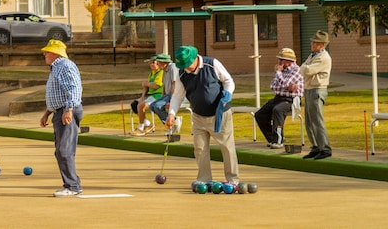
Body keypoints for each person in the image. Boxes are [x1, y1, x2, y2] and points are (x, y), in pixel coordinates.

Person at [165, 45, 239, 184]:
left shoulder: (212, 64)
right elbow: (177, 96)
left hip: (220, 113)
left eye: (188, 65)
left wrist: (228, 93)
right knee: (200, 148)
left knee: (227, 147)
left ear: (195, 58)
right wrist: (171, 114)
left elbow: (228, 81)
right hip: (198, 115)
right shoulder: (181, 73)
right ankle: (204, 179)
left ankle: (232, 179)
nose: (186, 68)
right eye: (183, 65)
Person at [39, 39, 84, 197]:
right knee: (61, 151)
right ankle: (72, 184)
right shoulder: (56, 67)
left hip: (67, 111)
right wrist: (47, 113)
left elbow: (74, 87)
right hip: (60, 111)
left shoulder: (65, 65)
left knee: (64, 150)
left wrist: (69, 109)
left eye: (47, 51)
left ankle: (72, 186)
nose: (44, 54)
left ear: (55, 53)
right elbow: (57, 93)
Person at [254, 48, 304, 149]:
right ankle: (272, 138)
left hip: (292, 100)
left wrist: (280, 77)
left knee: (278, 110)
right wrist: (287, 87)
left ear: (289, 61)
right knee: (260, 114)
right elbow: (273, 86)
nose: (279, 62)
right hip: (278, 98)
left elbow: (285, 83)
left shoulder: (297, 71)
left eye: (281, 60)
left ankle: (278, 141)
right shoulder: (282, 71)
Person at [300, 30, 333, 159]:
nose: (312, 44)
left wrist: (304, 68)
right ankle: (315, 146)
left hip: (317, 89)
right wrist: (304, 68)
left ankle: (325, 148)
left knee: (317, 120)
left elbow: (307, 69)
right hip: (309, 89)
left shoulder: (323, 57)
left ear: (323, 44)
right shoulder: (313, 55)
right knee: (309, 121)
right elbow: (304, 68)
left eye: (316, 42)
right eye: (312, 42)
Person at [130, 55, 167, 135]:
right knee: (135, 104)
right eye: (150, 63)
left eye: (153, 62)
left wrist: (146, 83)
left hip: (158, 95)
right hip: (150, 95)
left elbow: (156, 85)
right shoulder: (151, 73)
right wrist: (142, 96)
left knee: (141, 106)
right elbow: (146, 87)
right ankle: (148, 124)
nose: (151, 65)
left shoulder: (161, 72)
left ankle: (141, 127)